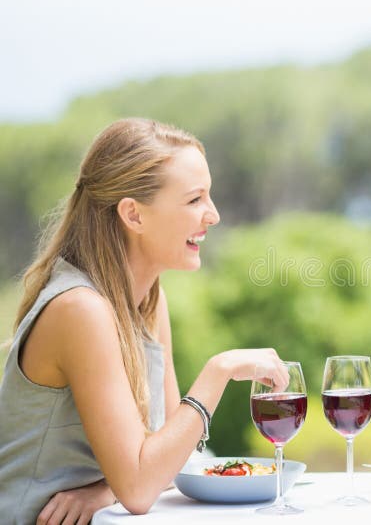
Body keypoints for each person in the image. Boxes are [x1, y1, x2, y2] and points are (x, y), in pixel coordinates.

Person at [0, 118, 290, 525]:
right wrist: (218, 371)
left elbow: (173, 457)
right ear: (133, 215)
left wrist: (103, 491)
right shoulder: (80, 309)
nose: (214, 215)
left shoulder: (149, 300)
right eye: (194, 200)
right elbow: (138, 490)